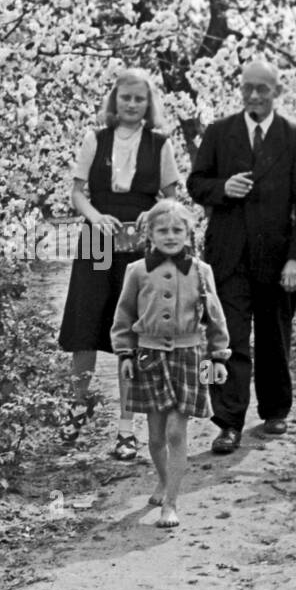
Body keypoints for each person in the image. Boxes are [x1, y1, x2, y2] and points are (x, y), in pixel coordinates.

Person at [186, 58, 296, 454]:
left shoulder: (295, 138)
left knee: (275, 337)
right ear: (240, 90)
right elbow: (195, 184)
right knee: (230, 340)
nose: (255, 95)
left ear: (277, 92)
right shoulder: (219, 132)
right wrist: (223, 187)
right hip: (229, 256)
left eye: (263, 89)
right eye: (249, 88)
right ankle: (228, 422)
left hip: (278, 260)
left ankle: (276, 409)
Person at [58, 67, 181, 459]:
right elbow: (77, 193)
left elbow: (172, 198)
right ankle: (77, 407)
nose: (131, 105)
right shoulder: (95, 138)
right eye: (125, 97)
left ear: (149, 104)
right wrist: (95, 217)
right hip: (98, 235)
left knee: (131, 330)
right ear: (114, 100)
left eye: (139, 99)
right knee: (86, 322)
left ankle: (126, 429)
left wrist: (155, 214)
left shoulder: (160, 143)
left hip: (139, 241)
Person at [111, 199, 230, 527]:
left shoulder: (202, 272)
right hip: (148, 357)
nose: (170, 235)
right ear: (149, 233)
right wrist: (124, 354)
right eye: (162, 229)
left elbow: (216, 318)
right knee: (156, 435)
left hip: (189, 355)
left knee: (178, 431)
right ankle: (162, 480)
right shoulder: (135, 271)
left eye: (178, 229)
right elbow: (124, 317)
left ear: (189, 234)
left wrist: (218, 358)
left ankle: (172, 503)